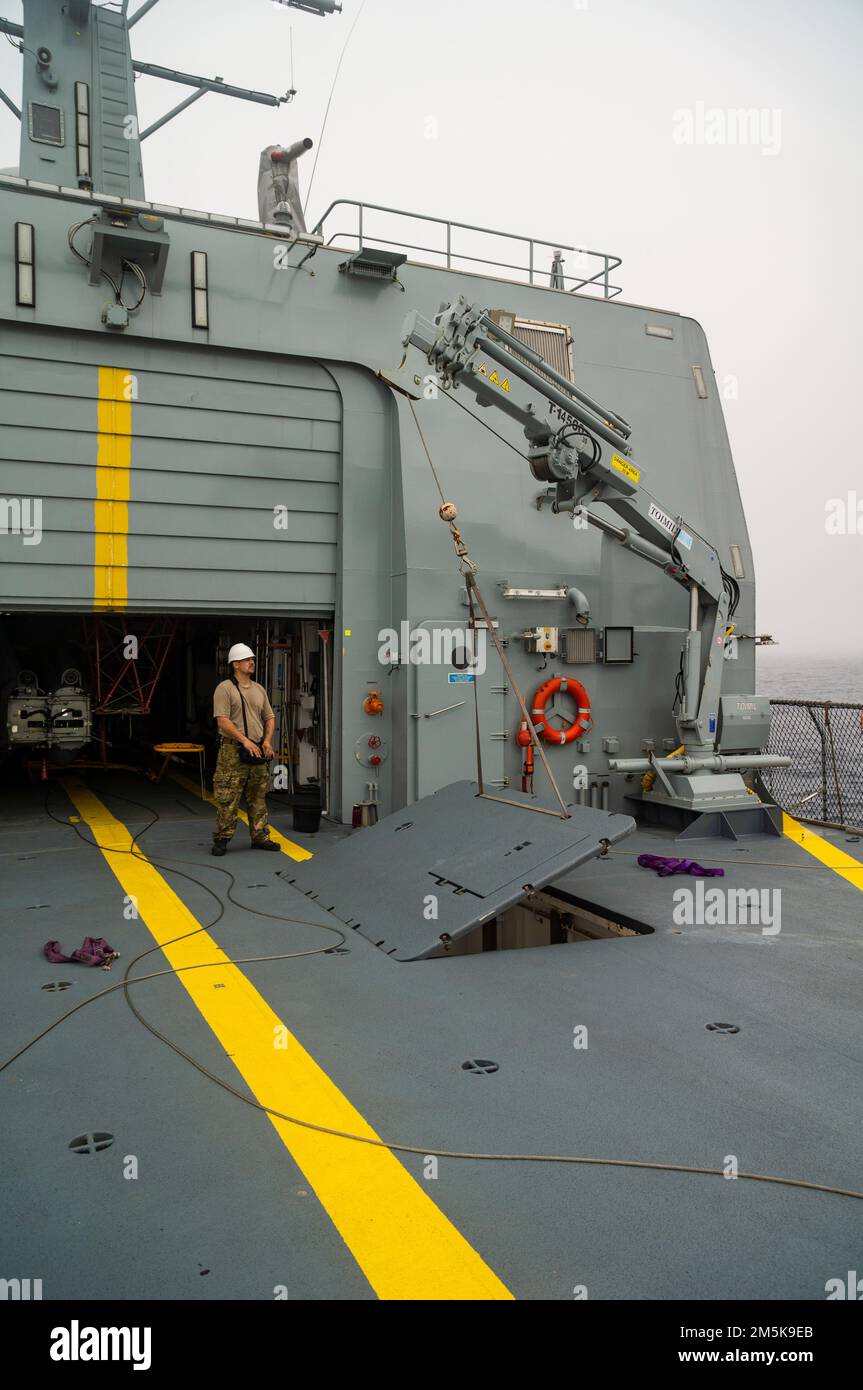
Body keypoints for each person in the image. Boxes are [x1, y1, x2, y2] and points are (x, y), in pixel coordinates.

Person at [211, 643, 279, 856]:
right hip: (233, 751)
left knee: (258, 795)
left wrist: (266, 741)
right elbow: (222, 721)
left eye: (252, 659)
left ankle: (260, 837)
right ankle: (222, 837)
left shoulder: (259, 689)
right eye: (247, 659)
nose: (252, 662)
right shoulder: (225, 689)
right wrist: (244, 740)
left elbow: (269, 717)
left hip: (257, 750)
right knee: (228, 796)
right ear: (235, 664)